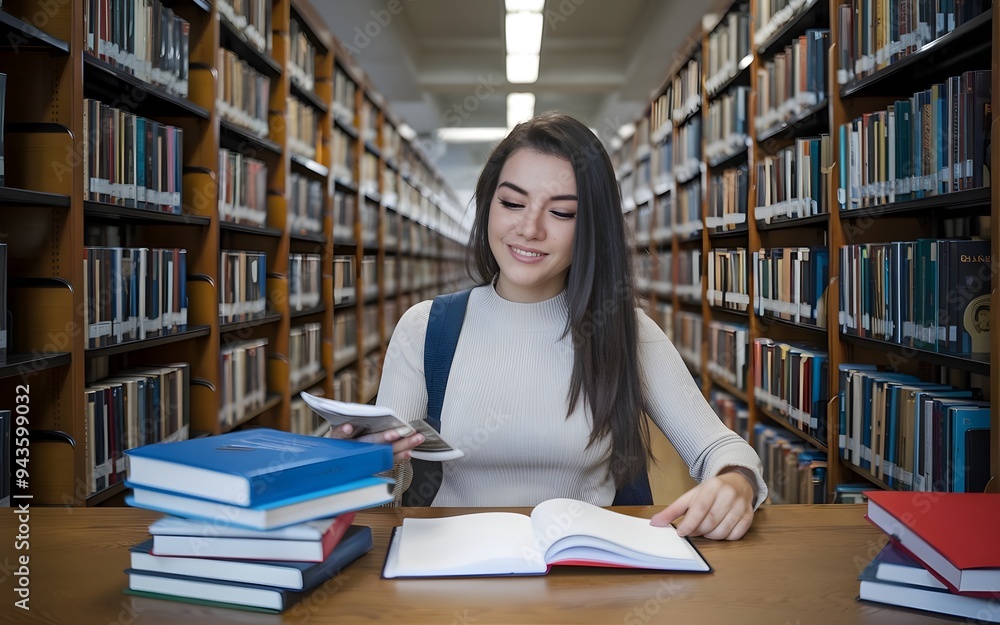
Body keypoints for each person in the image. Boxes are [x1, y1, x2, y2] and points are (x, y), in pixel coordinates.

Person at [332, 112, 767, 540]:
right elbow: (381, 504)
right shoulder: (425, 329)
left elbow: (722, 448)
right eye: (512, 203)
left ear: (591, 229)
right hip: (455, 578)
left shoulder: (625, 331)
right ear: (487, 206)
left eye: (561, 213)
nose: (529, 228)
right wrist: (366, 465)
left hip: (585, 578)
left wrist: (735, 482)